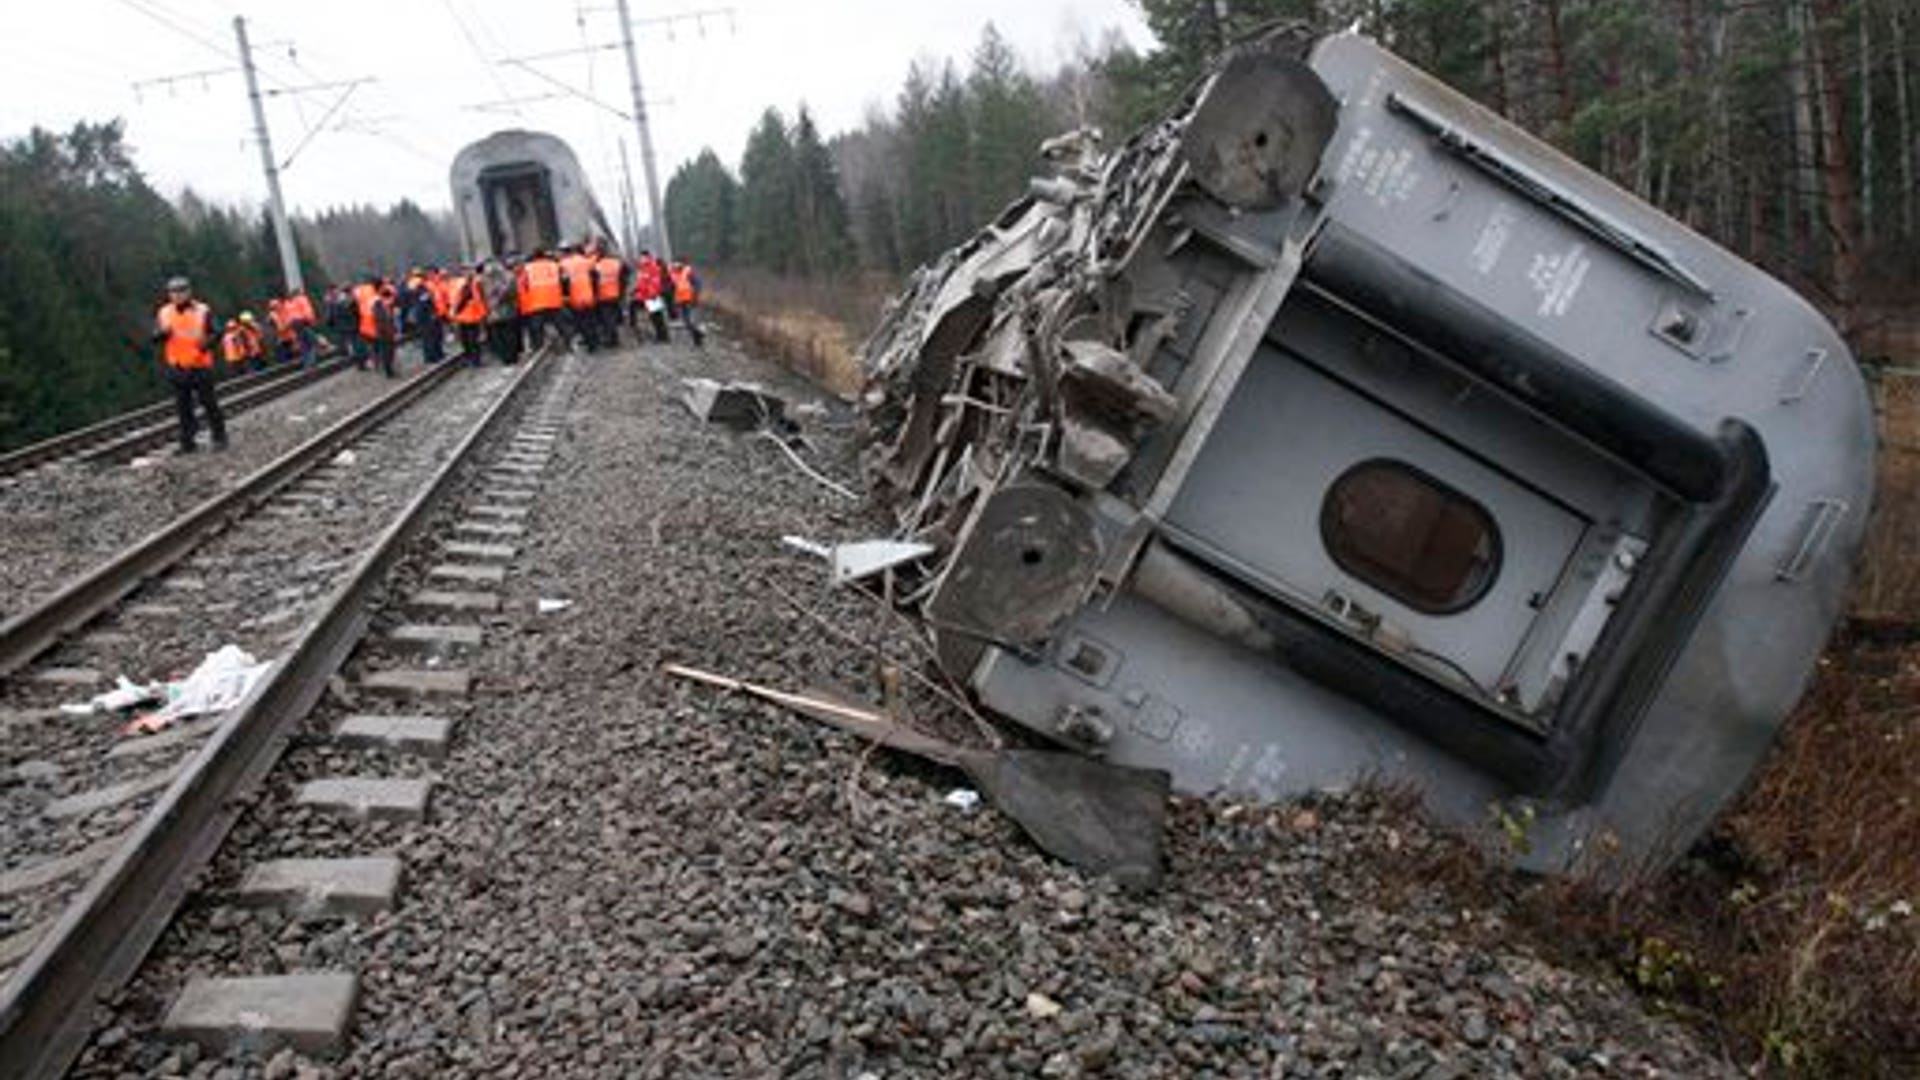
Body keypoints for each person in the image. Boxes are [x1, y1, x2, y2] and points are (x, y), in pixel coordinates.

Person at [151, 276, 227, 453]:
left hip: (200, 365)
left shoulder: (203, 310)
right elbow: (154, 337)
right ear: (169, 294)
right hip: (177, 367)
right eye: (173, 292)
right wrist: (161, 334)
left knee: (209, 404)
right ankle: (187, 443)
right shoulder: (163, 312)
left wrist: (205, 346)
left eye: (181, 291)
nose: (177, 295)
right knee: (183, 409)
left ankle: (220, 438)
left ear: (189, 292)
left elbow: (217, 332)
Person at [516, 248, 564, 351]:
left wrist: (524, 307)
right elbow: (563, 280)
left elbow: (521, 286)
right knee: (560, 325)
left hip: (536, 303)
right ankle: (567, 344)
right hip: (555, 300)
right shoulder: (554, 265)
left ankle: (540, 348)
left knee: (537, 329)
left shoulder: (527, 268)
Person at [559, 244, 599, 351]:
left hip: (576, 298)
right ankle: (594, 341)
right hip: (588, 295)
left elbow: (563, 281)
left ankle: (590, 343)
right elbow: (594, 267)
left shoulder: (564, 264)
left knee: (582, 322)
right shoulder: (584, 261)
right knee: (591, 320)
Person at [482, 257, 521, 364]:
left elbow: (511, 292)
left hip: (503, 311)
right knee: (501, 336)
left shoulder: (506, 277)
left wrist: (497, 299)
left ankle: (510, 357)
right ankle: (507, 357)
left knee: (506, 335)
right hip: (498, 312)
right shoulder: (486, 279)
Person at [448, 265, 489, 367]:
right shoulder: (471, 284)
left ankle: (471, 359)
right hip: (469, 316)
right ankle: (474, 360)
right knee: (471, 341)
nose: (469, 272)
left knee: (468, 340)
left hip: (466, 316)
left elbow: (453, 301)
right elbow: (480, 299)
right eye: (467, 270)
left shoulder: (455, 283)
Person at [631, 250, 669, 344]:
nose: (641, 259)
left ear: (647, 257)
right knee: (653, 317)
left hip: (652, 296)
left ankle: (663, 337)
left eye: (642, 258)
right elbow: (641, 283)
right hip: (645, 296)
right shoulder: (641, 269)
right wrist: (636, 290)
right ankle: (659, 336)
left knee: (657, 317)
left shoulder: (653, 267)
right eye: (640, 258)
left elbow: (655, 282)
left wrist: (652, 294)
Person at [593, 243, 626, 348]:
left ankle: (612, 340)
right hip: (615, 294)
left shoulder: (597, 266)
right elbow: (623, 277)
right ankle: (614, 338)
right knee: (613, 317)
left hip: (603, 296)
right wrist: (622, 292)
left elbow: (594, 281)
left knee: (607, 319)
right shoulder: (616, 263)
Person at [670, 257, 704, 347]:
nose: (675, 264)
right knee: (686, 322)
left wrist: (695, 297)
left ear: (682, 263)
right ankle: (698, 335)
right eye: (674, 263)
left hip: (689, 299)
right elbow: (674, 287)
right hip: (680, 300)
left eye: (677, 263)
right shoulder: (674, 273)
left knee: (690, 320)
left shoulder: (688, 272)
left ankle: (698, 338)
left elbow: (698, 284)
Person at [284, 287, 318, 366]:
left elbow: (288, 318)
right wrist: (311, 320)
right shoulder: (301, 299)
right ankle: (311, 363)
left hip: (294, 324)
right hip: (303, 322)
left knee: (303, 344)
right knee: (311, 341)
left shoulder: (288, 303)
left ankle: (307, 364)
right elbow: (307, 310)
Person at [371, 282, 399, 378]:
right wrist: (388, 332)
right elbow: (380, 322)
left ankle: (390, 368)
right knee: (386, 352)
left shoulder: (388, 307)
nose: (391, 301)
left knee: (391, 352)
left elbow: (391, 320)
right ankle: (388, 371)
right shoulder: (377, 307)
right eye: (390, 299)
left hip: (389, 333)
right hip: (383, 334)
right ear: (384, 298)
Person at [351, 276, 380, 369]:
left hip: (363, 323)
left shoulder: (358, 292)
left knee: (367, 345)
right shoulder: (373, 293)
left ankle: (371, 361)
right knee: (375, 344)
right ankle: (375, 361)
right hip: (372, 322)